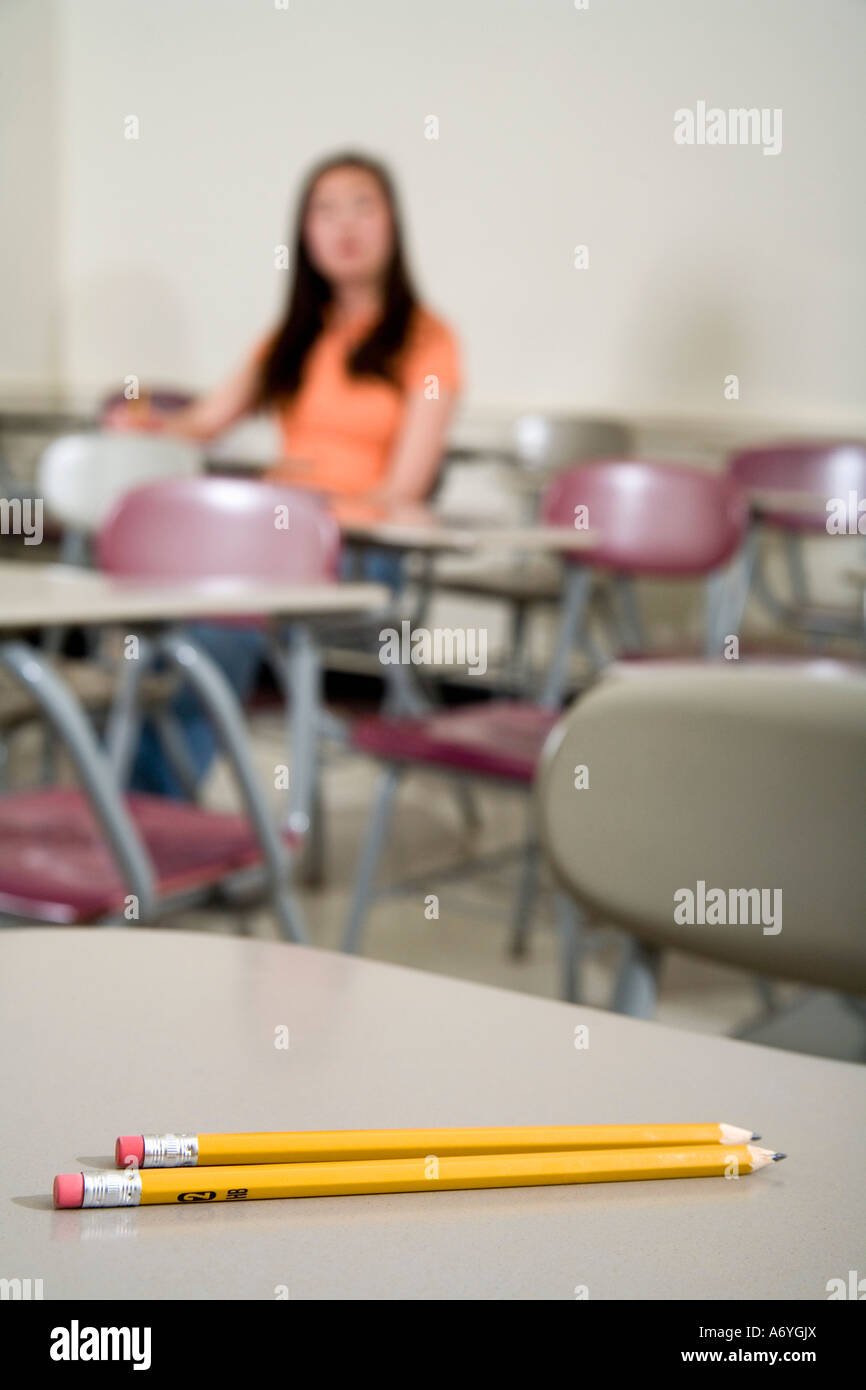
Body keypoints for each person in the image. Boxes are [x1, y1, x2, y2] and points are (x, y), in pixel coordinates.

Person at [107, 151, 462, 795]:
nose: (344, 224)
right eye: (324, 210)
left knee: (214, 625)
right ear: (305, 234)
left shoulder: (428, 340)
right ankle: (138, 816)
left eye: (362, 205)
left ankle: (153, 821)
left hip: (360, 551)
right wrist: (146, 425)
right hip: (264, 546)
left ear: (392, 224)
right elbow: (206, 422)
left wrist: (308, 528)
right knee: (161, 621)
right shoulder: (295, 336)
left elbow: (404, 489)